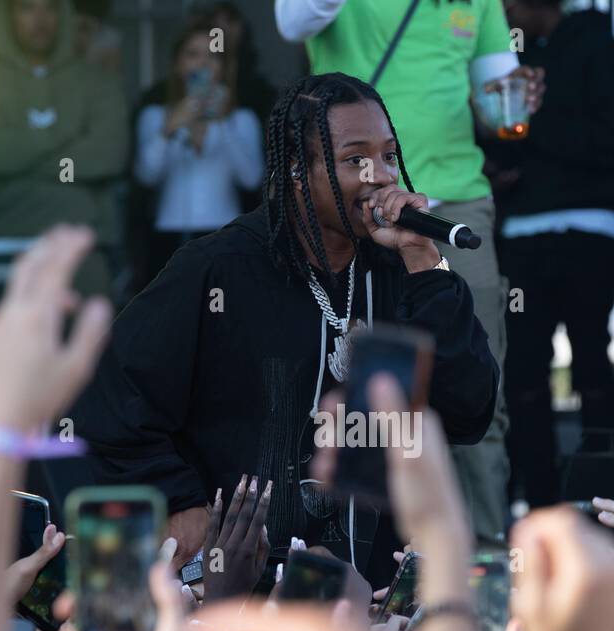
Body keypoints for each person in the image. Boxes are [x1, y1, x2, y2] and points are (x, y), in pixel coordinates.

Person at [74, 73, 498, 585]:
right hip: (240, 593)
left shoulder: (404, 273)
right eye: (355, 159)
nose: (381, 176)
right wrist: (177, 498)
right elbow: (114, 393)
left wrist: (425, 262)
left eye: (388, 155)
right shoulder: (220, 269)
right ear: (298, 170)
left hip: (367, 594)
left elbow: (468, 412)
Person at [276, 0, 546, 547]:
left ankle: (481, 562)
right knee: (348, 389)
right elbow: (291, 21)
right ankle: (368, 556)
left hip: (451, 204)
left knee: (475, 391)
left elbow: (500, 111)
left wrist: (510, 103)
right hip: (351, 203)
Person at [482, 2, 614, 506]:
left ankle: (604, 499)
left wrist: (534, 134)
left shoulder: (604, 50)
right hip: (523, 230)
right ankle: (542, 506)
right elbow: (506, 139)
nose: (502, 13)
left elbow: (613, 142)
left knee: (590, 359)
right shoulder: (509, 60)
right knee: (523, 369)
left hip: (590, 224)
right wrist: (500, 164)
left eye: (509, 6)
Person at [0, 0, 128, 296]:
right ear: (8, 17)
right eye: (27, 8)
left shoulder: (97, 82)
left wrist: (22, 159)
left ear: (65, 15)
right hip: (2, 241)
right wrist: (66, 134)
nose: (40, 19)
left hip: (82, 243)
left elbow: (108, 155)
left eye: (50, 8)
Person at [132, 23, 264, 288]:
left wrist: (222, 124)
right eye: (193, 54)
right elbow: (147, 176)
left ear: (224, 67)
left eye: (213, 55)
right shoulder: (155, 116)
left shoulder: (242, 120)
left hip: (225, 234)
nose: (203, 62)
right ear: (177, 64)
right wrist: (169, 130)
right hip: (168, 236)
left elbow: (251, 179)